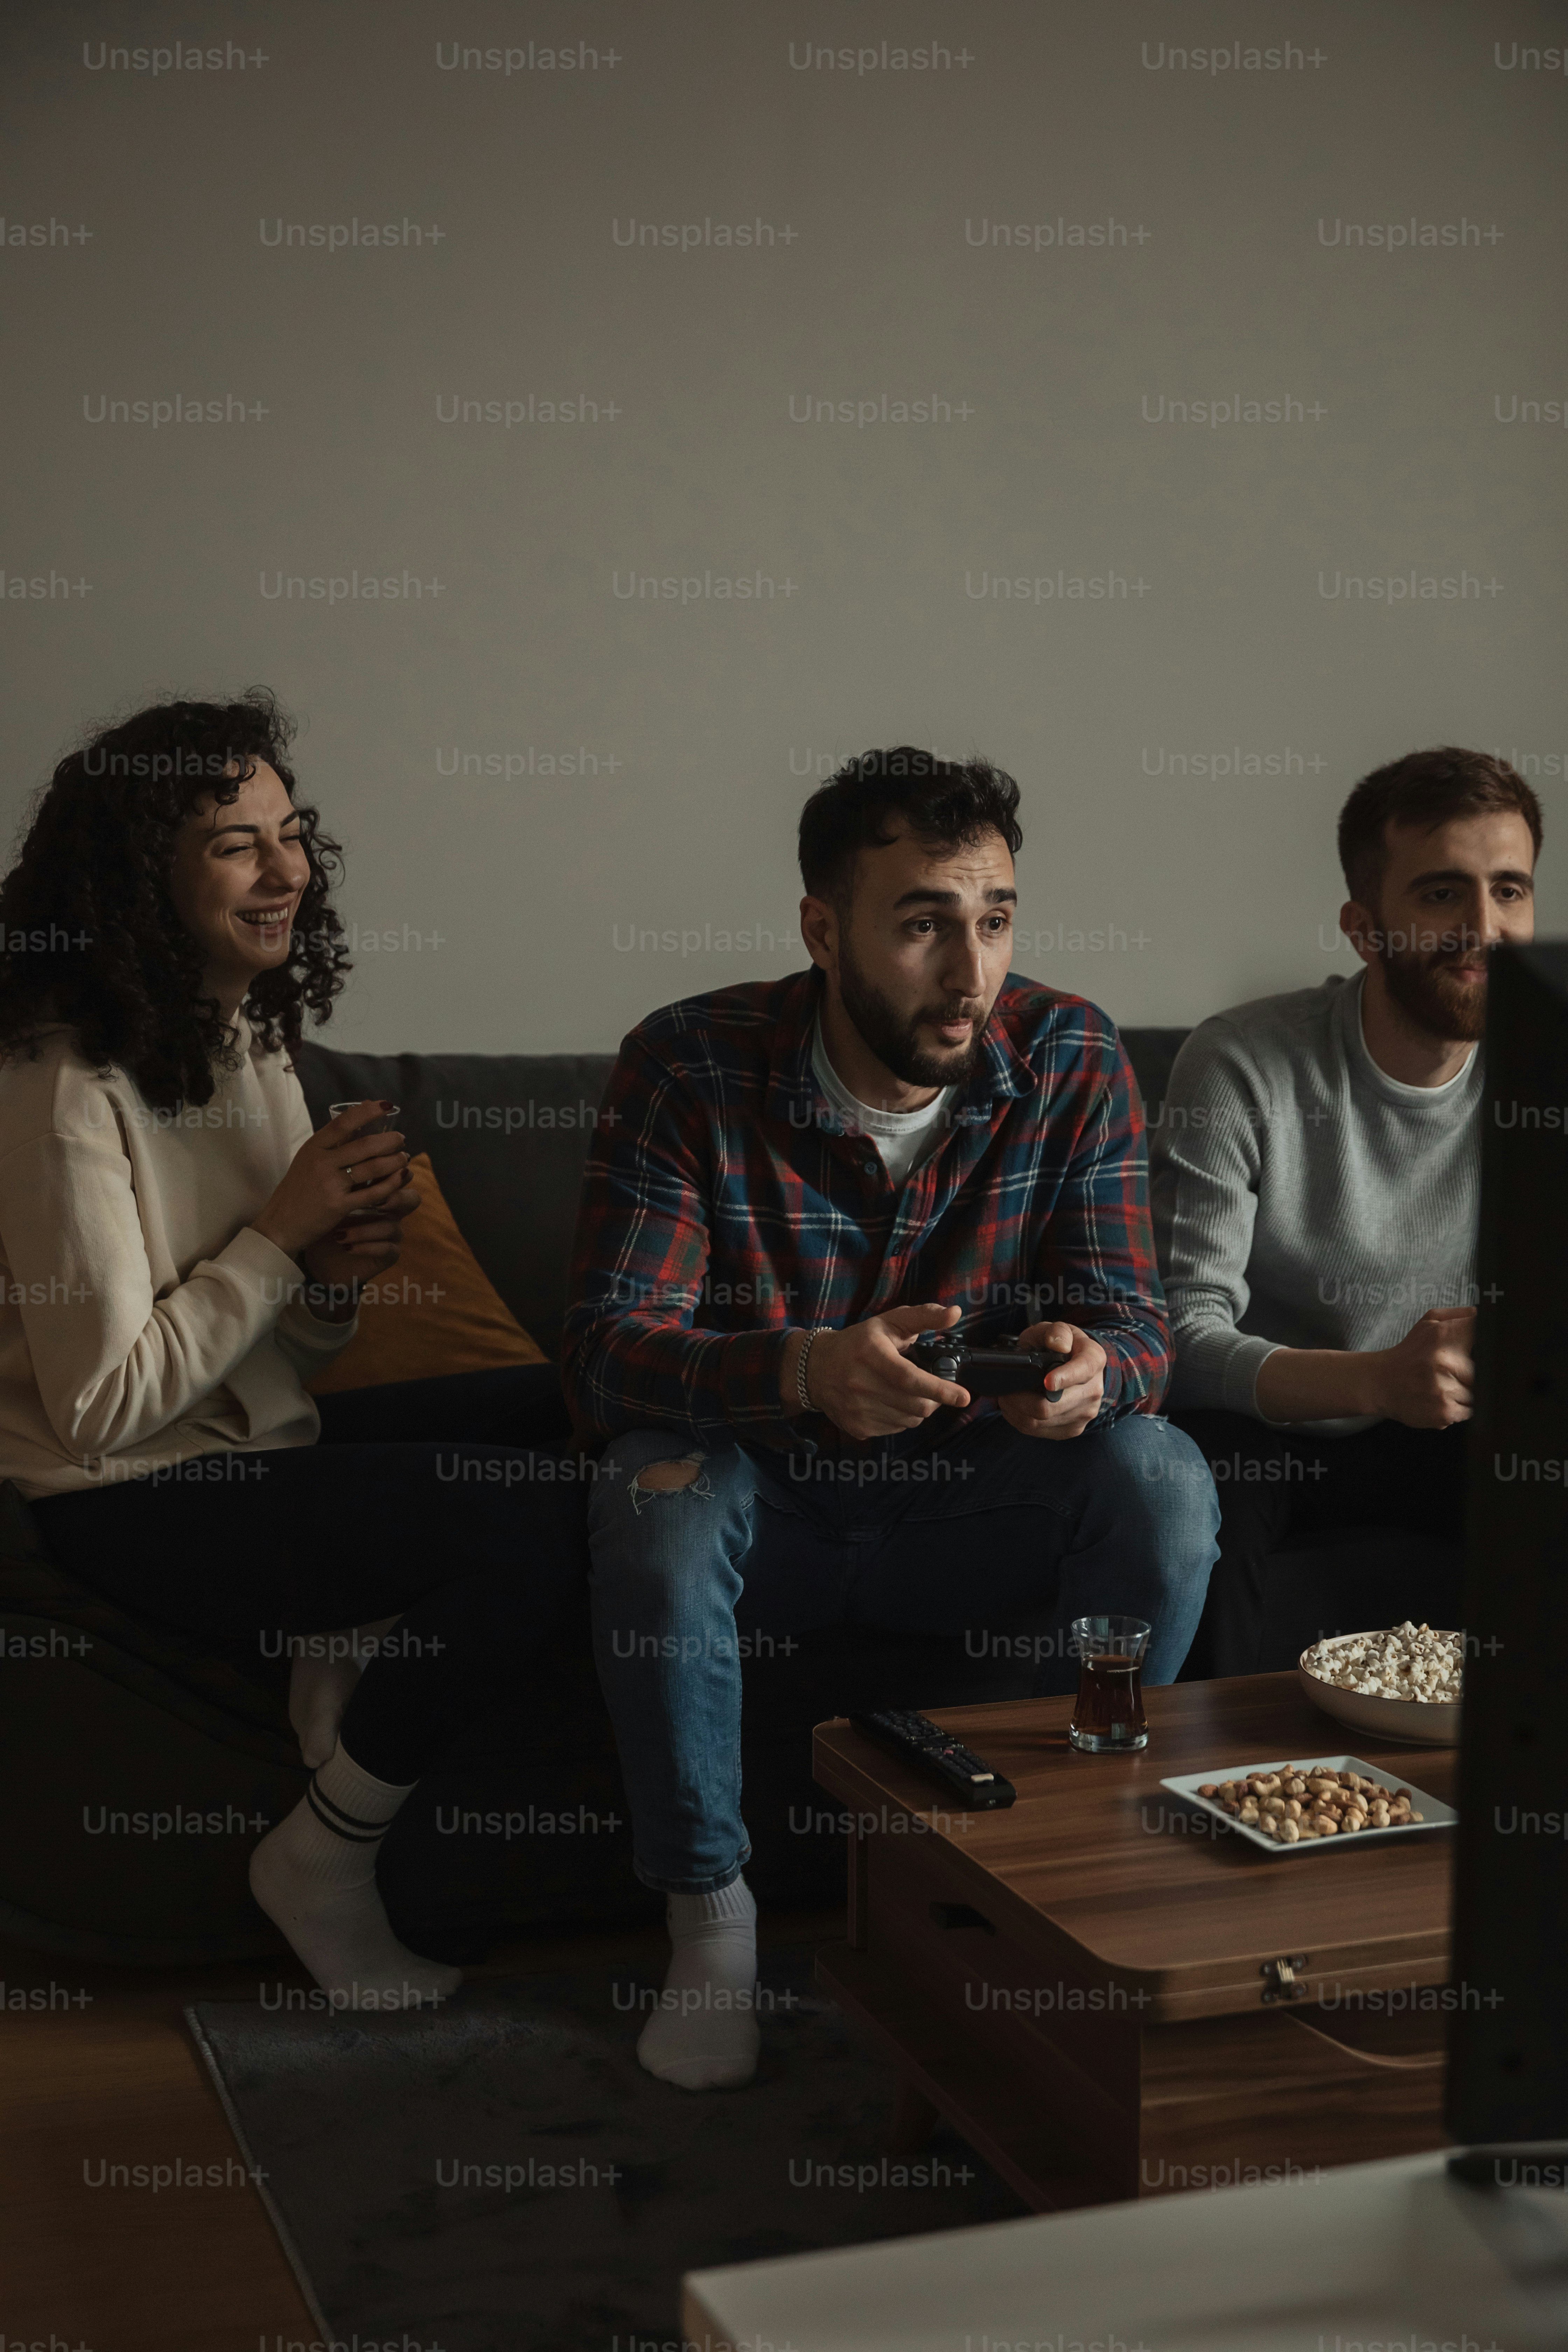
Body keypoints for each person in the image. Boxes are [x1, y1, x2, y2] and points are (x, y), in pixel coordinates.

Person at [563, 748, 1218, 2093]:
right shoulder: (689, 1065)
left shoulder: (1072, 1054)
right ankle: (712, 1923)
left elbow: (1145, 1329)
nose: (970, 972)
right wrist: (803, 1372)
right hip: (772, 1504)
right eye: (923, 923)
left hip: (972, 1503)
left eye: (994, 919)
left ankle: (1065, 1879)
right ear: (822, 929)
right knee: (659, 1495)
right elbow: (605, 1356)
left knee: (1162, 1475)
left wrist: (1102, 1370)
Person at [0, 693, 587, 2007]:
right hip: (123, 1496)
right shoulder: (59, 1085)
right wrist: (282, 1237)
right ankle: (324, 1856)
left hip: (254, 1441)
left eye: (290, 832)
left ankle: (349, 1627)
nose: (287, 873)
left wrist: (327, 1279)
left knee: (588, 1403)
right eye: (234, 845)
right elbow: (100, 1407)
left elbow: (275, 1354)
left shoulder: (245, 1031)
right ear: (140, 879)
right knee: (531, 1523)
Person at [1150, 746, 1541, 1678]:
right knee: (1192, 1497)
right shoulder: (1242, 1063)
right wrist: (1376, 1382)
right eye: (1443, 895)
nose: (1483, 928)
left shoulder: (1548, 1073)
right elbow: (1178, 1336)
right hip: (1260, 1430)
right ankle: (1208, 1800)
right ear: (1365, 929)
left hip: (1450, 1427)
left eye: (1511, 891)